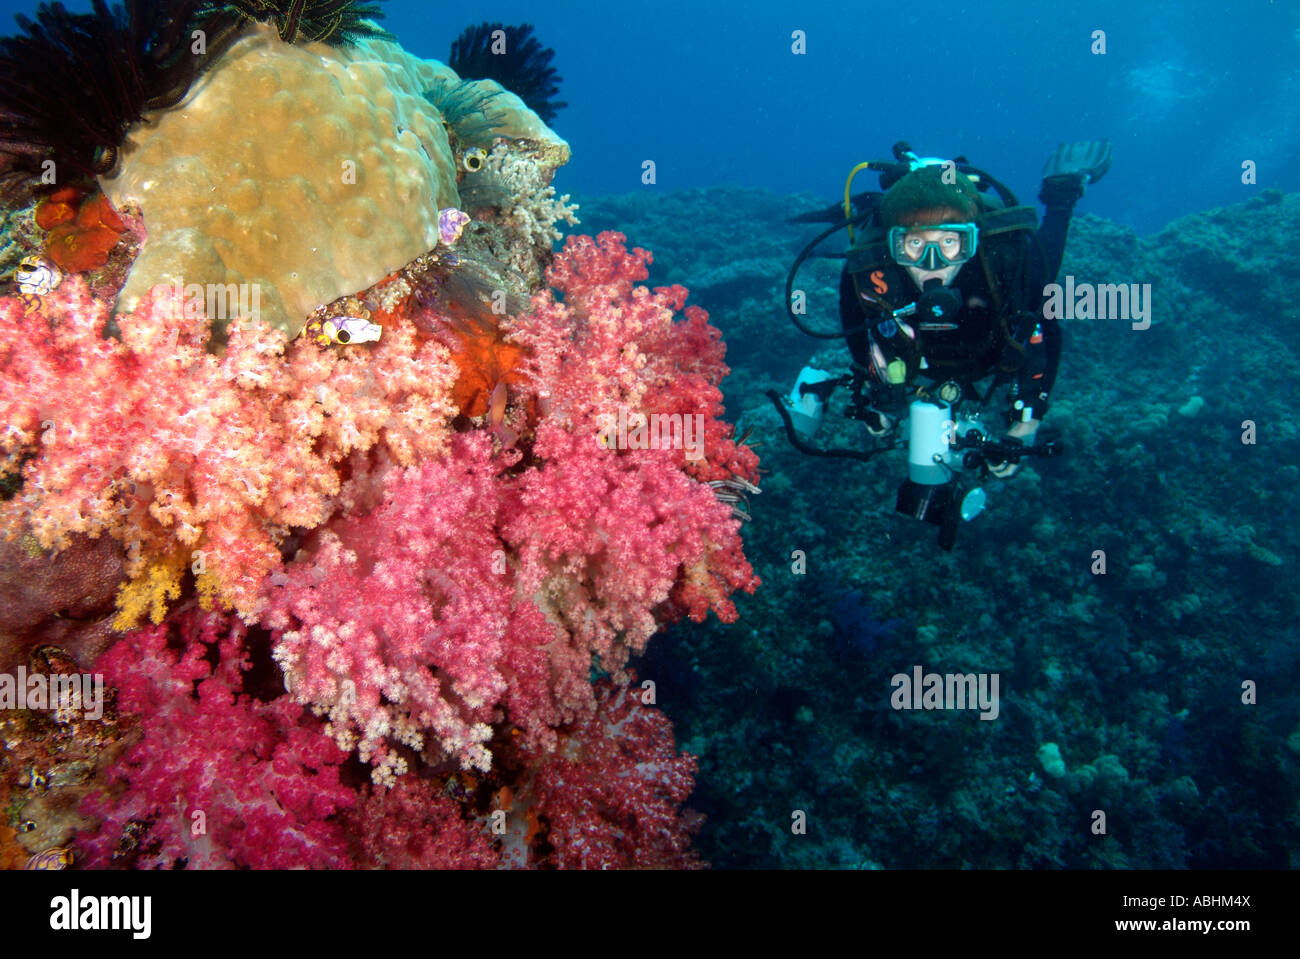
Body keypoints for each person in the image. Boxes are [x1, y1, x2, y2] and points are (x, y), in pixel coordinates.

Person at [835, 141, 1110, 476]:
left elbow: (1046, 328)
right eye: (915, 244)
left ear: (971, 241)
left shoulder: (1003, 263)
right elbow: (860, 336)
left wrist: (1026, 423)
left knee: (1042, 275)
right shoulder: (870, 276)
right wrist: (876, 393)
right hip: (928, 357)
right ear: (894, 246)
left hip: (989, 345)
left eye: (949, 243)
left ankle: (1061, 194)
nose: (932, 264)